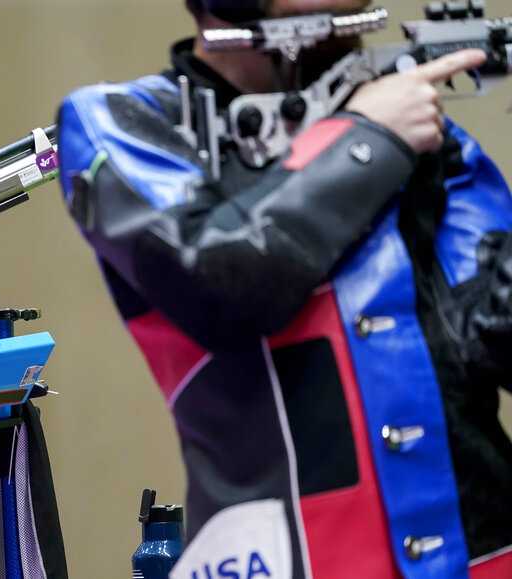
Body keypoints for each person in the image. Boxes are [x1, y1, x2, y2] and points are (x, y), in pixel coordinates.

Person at [57, 1, 512, 577]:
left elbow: (497, 341)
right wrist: (366, 138)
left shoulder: (417, 130)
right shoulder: (125, 122)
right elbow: (221, 286)